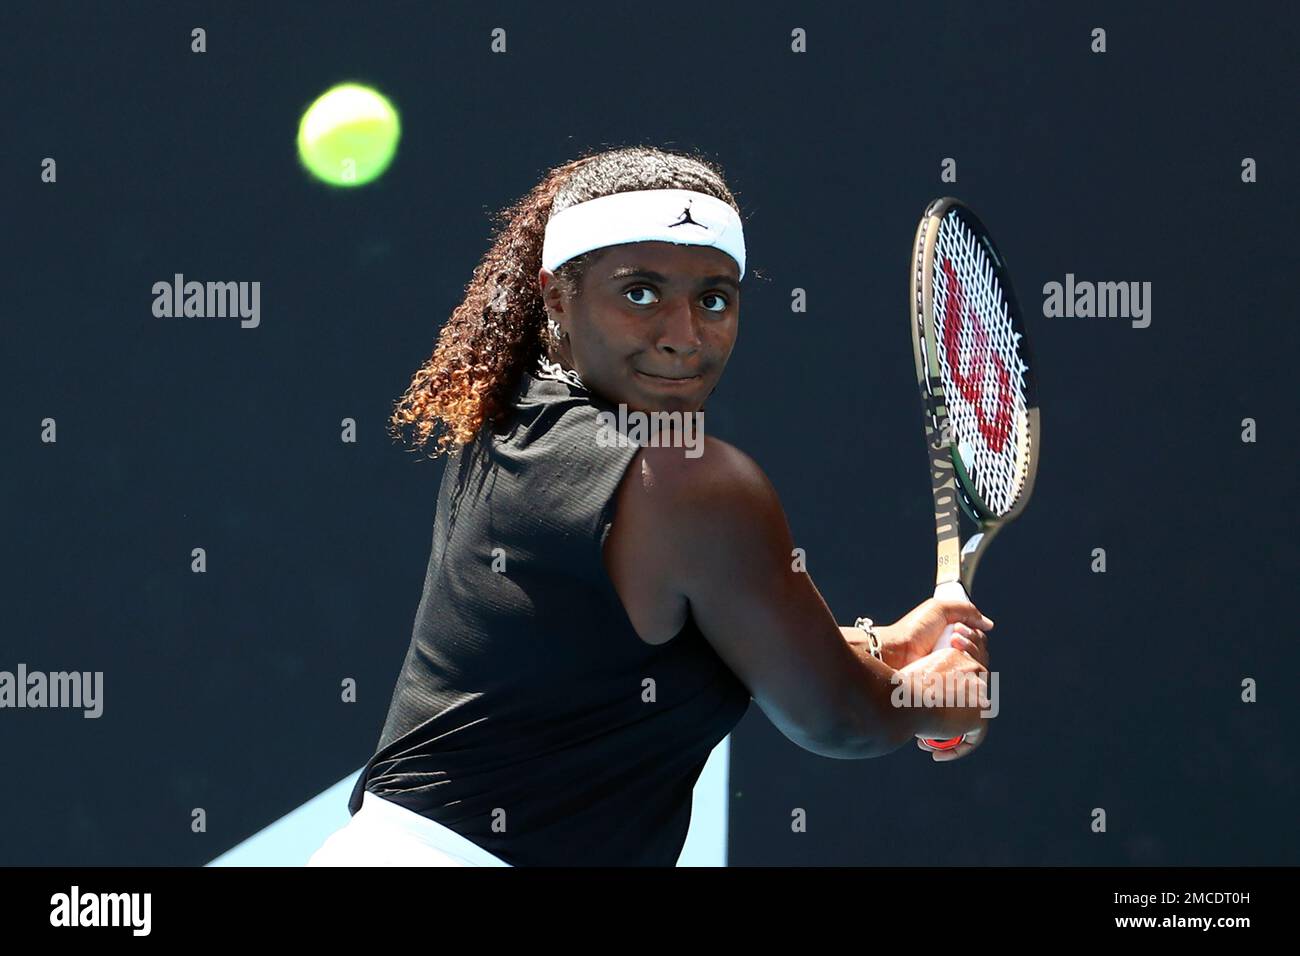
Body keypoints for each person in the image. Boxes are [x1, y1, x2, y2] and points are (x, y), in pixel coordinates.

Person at [307, 145, 995, 868]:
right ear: (555, 298)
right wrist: (941, 699)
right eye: (640, 292)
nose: (682, 336)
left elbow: (673, 654)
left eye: (714, 299)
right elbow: (842, 718)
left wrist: (889, 647)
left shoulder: (515, 422)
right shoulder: (692, 483)